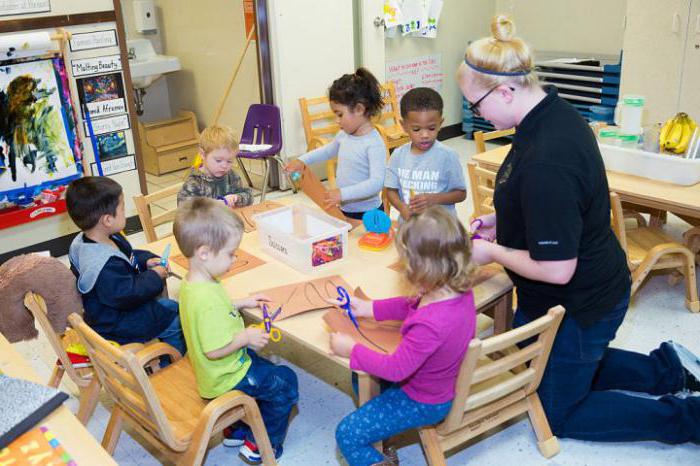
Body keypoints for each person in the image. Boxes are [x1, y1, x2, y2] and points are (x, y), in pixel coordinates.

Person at [458, 15, 700, 443]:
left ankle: (687, 418)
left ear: (507, 90)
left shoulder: (548, 158)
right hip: (579, 284)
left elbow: (557, 270)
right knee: (544, 357)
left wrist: (492, 253)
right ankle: (670, 370)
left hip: (583, 298)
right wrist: (507, 219)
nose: (476, 116)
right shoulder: (552, 113)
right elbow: (559, 203)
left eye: (476, 106)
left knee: (557, 411)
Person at [330, 207, 477, 465]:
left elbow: (396, 369)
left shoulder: (430, 324)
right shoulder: (454, 289)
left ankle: (380, 451)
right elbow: (411, 303)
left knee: (348, 434)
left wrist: (351, 350)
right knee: (362, 376)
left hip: (423, 400)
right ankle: (384, 440)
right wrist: (369, 308)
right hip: (435, 384)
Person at [173, 197, 298, 463]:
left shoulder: (195, 284)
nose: (234, 259)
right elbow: (214, 349)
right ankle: (262, 445)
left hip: (214, 373)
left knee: (264, 367)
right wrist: (245, 337)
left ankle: (235, 429)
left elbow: (211, 312)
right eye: (230, 254)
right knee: (284, 382)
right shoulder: (206, 299)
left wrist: (240, 303)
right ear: (204, 252)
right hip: (225, 376)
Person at [66, 177, 185, 355]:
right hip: (117, 323)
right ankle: (172, 365)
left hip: (119, 311)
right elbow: (127, 294)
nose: (125, 211)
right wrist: (155, 276)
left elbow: (126, 256)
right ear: (107, 220)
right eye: (122, 208)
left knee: (175, 307)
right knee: (176, 324)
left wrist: (145, 261)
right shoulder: (103, 264)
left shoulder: (98, 238)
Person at [285, 68, 387, 219]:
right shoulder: (344, 135)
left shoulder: (373, 143)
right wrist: (302, 160)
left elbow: (376, 183)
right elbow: (327, 151)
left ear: (359, 109)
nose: (337, 120)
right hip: (344, 208)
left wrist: (342, 193)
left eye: (340, 114)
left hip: (369, 213)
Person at [385, 87, 466, 220]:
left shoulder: (448, 156)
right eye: (416, 129)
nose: (425, 135)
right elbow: (391, 191)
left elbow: (461, 194)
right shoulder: (398, 155)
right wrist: (402, 207)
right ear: (404, 126)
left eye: (432, 128)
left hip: (441, 229)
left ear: (440, 124)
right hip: (410, 227)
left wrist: (433, 199)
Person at [177, 124, 254, 208]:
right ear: (203, 154)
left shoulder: (231, 176)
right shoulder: (194, 181)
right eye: (218, 160)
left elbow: (249, 196)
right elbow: (184, 208)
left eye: (229, 161)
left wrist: (236, 198)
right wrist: (212, 205)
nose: (224, 166)